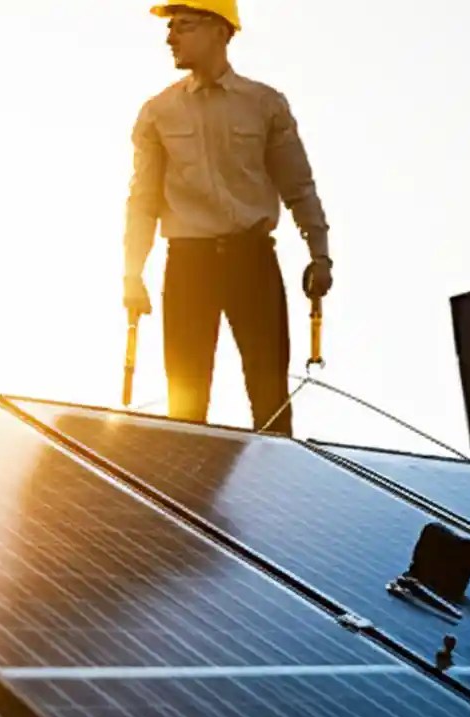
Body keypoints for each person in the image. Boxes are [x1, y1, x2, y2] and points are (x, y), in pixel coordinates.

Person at [122, 0, 333, 436]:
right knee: (186, 405)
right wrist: (132, 274)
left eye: (184, 26)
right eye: (171, 27)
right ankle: (185, 498)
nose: (170, 37)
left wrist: (320, 255)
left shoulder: (265, 105)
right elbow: (142, 199)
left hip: (251, 260)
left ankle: (277, 495)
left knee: (270, 395)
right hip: (188, 264)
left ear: (220, 30)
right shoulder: (158, 113)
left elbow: (299, 187)